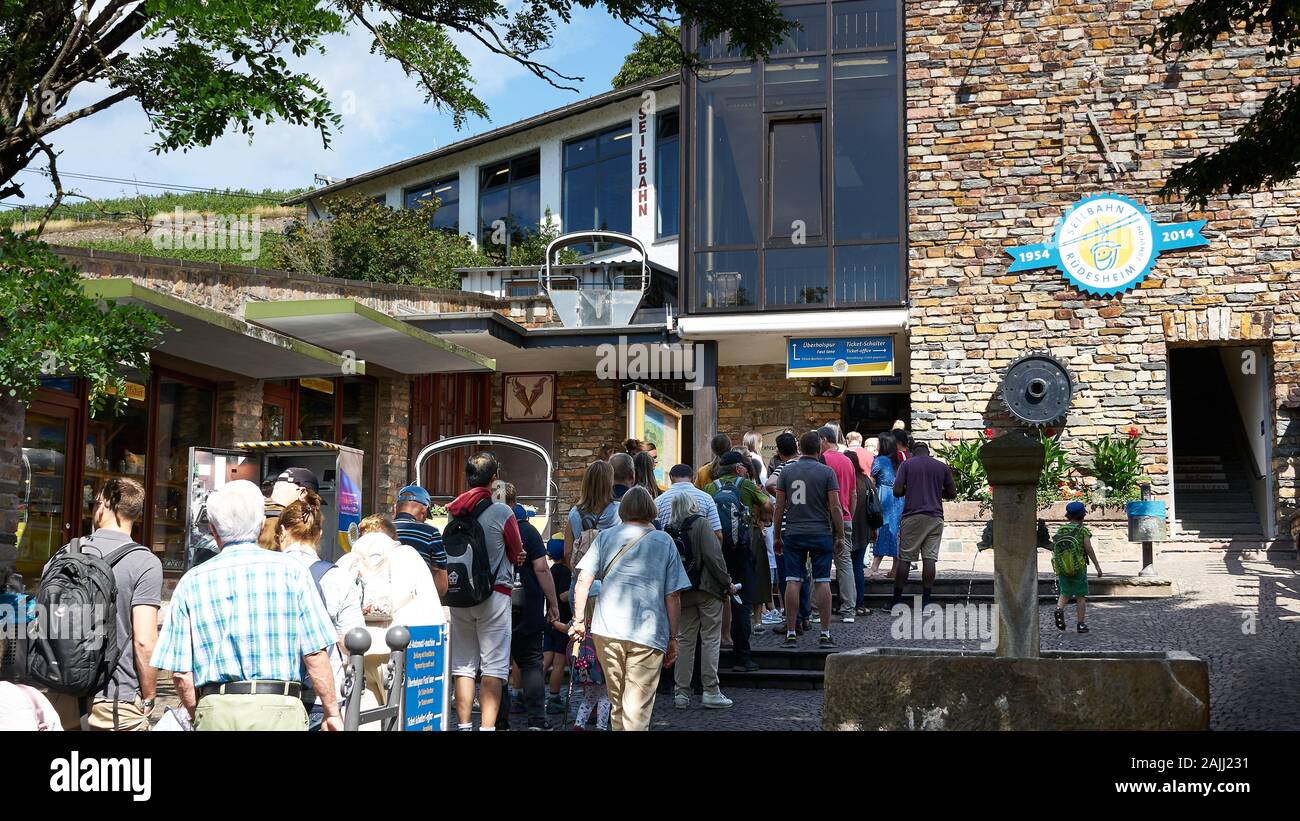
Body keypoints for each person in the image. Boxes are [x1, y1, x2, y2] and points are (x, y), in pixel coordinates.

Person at [152, 480, 342, 731]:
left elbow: (180, 673)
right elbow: (315, 654)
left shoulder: (191, 582)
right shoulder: (293, 572)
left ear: (213, 530)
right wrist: (332, 711)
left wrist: (200, 713)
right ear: (262, 524)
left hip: (216, 710)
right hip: (280, 710)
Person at [569, 487, 690, 731]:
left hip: (608, 630)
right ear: (650, 510)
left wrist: (579, 620)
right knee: (637, 708)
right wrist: (674, 637)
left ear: (623, 510)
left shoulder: (605, 537)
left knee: (619, 703)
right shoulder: (663, 540)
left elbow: (583, 580)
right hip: (648, 631)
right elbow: (673, 594)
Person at [45, 477, 161, 731]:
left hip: (61, 690)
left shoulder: (65, 553)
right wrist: (150, 694)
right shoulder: (145, 562)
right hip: (116, 696)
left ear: (101, 507)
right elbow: (144, 641)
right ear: (136, 513)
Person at [446, 452, 524, 731]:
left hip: (460, 594)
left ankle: (464, 726)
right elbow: (516, 553)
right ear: (494, 479)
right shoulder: (502, 512)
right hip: (494, 595)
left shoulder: (454, 510)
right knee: (493, 667)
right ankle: (487, 728)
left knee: (464, 666)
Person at [276, 497, 365, 730]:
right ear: (319, 534)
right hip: (322, 697)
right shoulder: (338, 578)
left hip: (275, 695)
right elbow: (352, 642)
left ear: (282, 531)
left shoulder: (268, 572)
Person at [336, 514, 441, 707]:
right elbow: (431, 609)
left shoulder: (347, 560)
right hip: (398, 653)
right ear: (392, 536)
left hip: (355, 653)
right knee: (400, 715)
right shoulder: (408, 556)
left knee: (364, 720)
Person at [493, 483, 561, 731]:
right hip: (527, 603)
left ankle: (499, 722)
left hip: (493, 604)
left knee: (496, 665)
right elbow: (542, 568)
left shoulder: (487, 528)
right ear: (515, 502)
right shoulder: (528, 532)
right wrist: (552, 603)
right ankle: (536, 720)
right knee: (531, 662)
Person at [774, 431, 844, 648]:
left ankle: (792, 632)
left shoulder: (787, 471)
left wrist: (777, 535)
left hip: (794, 531)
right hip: (820, 531)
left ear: (800, 448)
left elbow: (778, 506)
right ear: (819, 449)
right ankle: (824, 633)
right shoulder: (827, 472)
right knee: (822, 581)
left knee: (792, 581)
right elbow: (835, 506)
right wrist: (840, 535)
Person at [666, 492, 734, 709]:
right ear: (692, 506)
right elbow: (715, 557)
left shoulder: (669, 529)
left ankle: (681, 693)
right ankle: (711, 690)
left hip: (682, 592)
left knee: (685, 641)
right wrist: (726, 583)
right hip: (707, 590)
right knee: (710, 639)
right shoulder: (701, 524)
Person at [705, 450, 771, 672]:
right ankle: (742, 658)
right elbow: (768, 505)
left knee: (714, 600)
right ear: (738, 469)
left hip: (716, 550)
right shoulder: (746, 485)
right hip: (743, 548)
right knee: (742, 602)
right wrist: (762, 518)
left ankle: (710, 659)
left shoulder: (710, 488)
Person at [891, 441, 958, 607]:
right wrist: (936, 490)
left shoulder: (906, 465)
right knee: (930, 559)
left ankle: (896, 600)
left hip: (913, 516)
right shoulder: (941, 467)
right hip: (935, 517)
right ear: (928, 453)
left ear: (913, 452)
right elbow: (952, 493)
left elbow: (897, 491)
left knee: (905, 558)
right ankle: (926, 600)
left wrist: (911, 488)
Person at [765, 432, 808, 631]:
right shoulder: (809, 466)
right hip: (808, 523)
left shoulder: (784, 467)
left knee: (788, 576)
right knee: (804, 574)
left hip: (787, 526)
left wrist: (784, 498)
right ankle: (805, 615)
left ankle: (793, 620)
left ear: (780, 452)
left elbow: (769, 484)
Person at [819, 426, 859, 624]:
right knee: (845, 564)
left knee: (820, 563)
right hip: (844, 517)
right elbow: (853, 493)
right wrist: (848, 514)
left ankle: (817, 610)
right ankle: (849, 610)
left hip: (825, 518)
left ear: (824, 439)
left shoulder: (823, 460)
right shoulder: (847, 461)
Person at [1053, 501, 1104, 634]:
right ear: (1082, 515)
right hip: (1079, 567)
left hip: (1063, 567)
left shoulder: (1061, 530)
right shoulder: (1083, 530)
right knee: (1080, 596)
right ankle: (1080, 624)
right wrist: (1097, 566)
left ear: (1068, 515)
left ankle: (1059, 609)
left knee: (1065, 592)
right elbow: (1089, 549)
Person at [393, 484, 448, 597]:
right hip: (417, 601)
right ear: (424, 509)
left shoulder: (380, 529)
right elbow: (441, 582)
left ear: (395, 507)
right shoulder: (431, 532)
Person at [543, 538, 572, 716]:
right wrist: (577, 588)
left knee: (545, 661)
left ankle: (534, 693)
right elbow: (562, 596)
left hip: (549, 621)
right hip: (561, 623)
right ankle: (554, 698)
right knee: (559, 663)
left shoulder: (551, 570)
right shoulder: (564, 572)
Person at [260, 467, 321, 550]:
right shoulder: (289, 526)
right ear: (302, 493)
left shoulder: (255, 518)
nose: (313, 509)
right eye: (312, 502)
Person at [655, 463, 722, 536]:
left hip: (669, 545)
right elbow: (717, 534)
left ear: (670, 477)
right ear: (693, 478)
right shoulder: (707, 498)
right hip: (699, 546)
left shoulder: (658, 501)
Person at [871, 432, 903, 580]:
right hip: (899, 497)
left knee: (882, 528)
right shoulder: (898, 461)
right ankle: (894, 569)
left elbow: (872, 479)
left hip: (884, 495)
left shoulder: (880, 460)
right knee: (896, 531)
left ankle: (874, 567)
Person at [849, 449, 876, 617]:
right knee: (857, 565)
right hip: (863, 528)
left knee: (845, 567)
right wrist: (874, 528)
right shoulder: (865, 480)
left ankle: (847, 602)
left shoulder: (842, 480)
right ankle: (859, 603)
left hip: (845, 527)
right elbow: (875, 506)